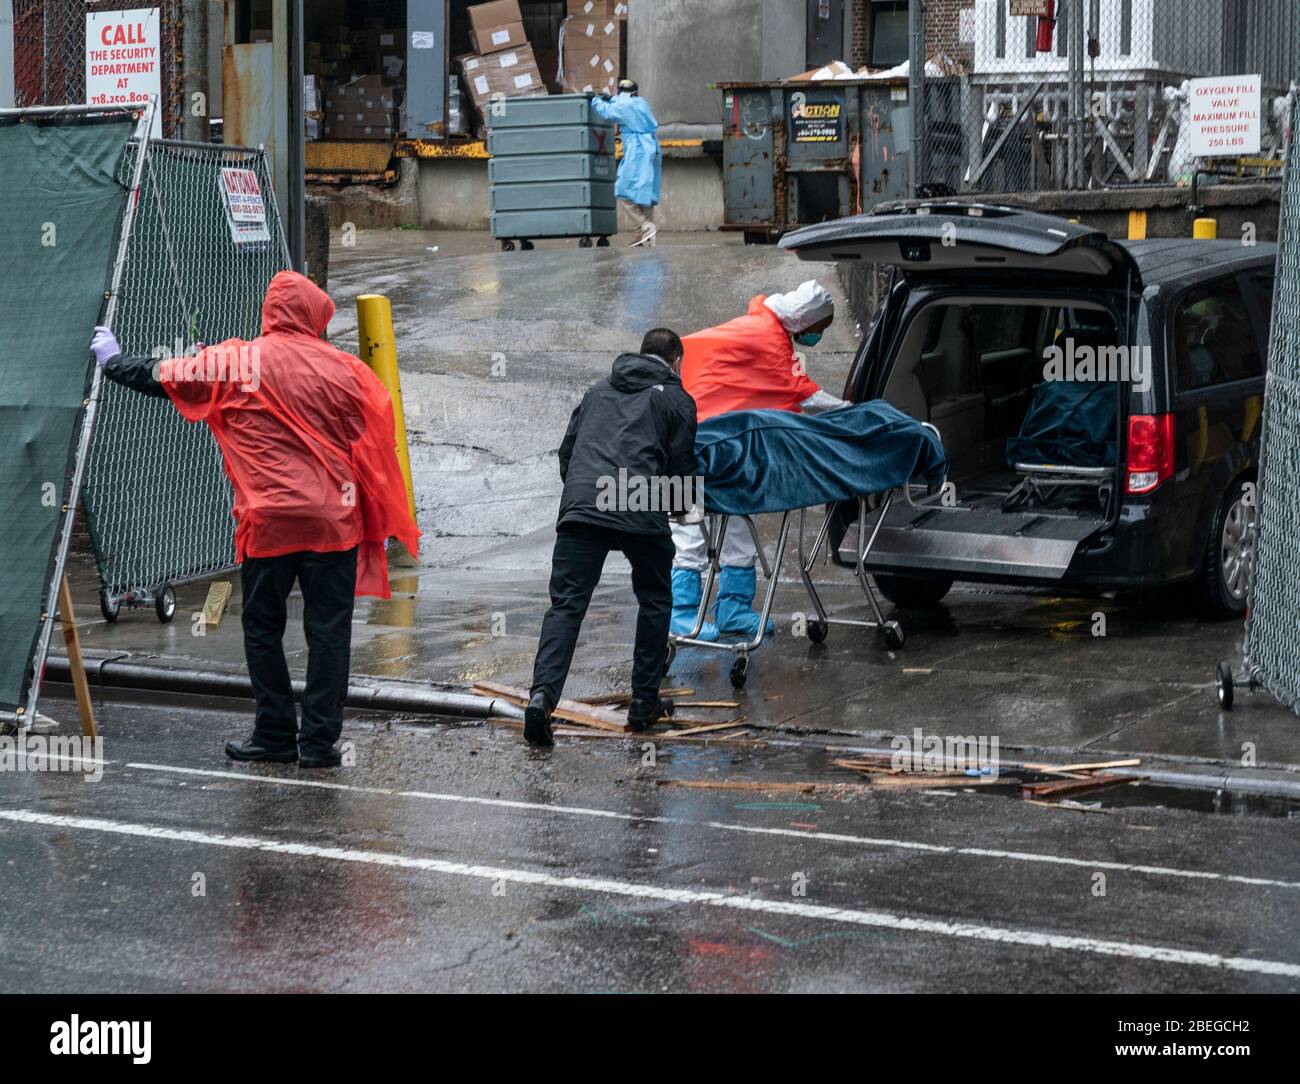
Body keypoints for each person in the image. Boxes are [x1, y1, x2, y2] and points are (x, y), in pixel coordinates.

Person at [89, 270, 419, 769]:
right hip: (334, 520)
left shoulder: (233, 361)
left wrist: (115, 362)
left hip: (270, 523)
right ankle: (319, 743)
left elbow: (164, 376)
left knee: (263, 627)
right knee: (328, 631)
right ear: (312, 316)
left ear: (270, 312)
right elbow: (371, 435)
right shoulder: (345, 369)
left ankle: (274, 733)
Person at [525, 328, 698, 747]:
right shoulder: (677, 399)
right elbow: (682, 469)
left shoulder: (597, 391)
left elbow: (567, 454)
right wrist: (680, 511)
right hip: (639, 502)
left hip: (584, 504)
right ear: (676, 361)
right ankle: (643, 702)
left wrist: (587, 497)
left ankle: (541, 698)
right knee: (655, 597)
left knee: (566, 606)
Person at [672, 280, 849, 641]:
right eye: (820, 329)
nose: (819, 335)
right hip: (692, 437)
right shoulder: (767, 338)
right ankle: (680, 613)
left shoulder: (767, 331)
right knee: (690, 523)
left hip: (722, 442)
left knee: (737, 518)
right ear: (806, 321)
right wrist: (852, 412)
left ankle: (733, 610)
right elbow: (801, 393)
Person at [591, 79, 661, 248]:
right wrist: (611, 98)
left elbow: (606, 112)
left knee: (623, 191)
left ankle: (645, 226)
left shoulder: (624, 106)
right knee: (645, 193)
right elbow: (623, 104)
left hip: (637, 151)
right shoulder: (640, 103)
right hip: (652, 148)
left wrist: (595, 100)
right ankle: (644, 237)